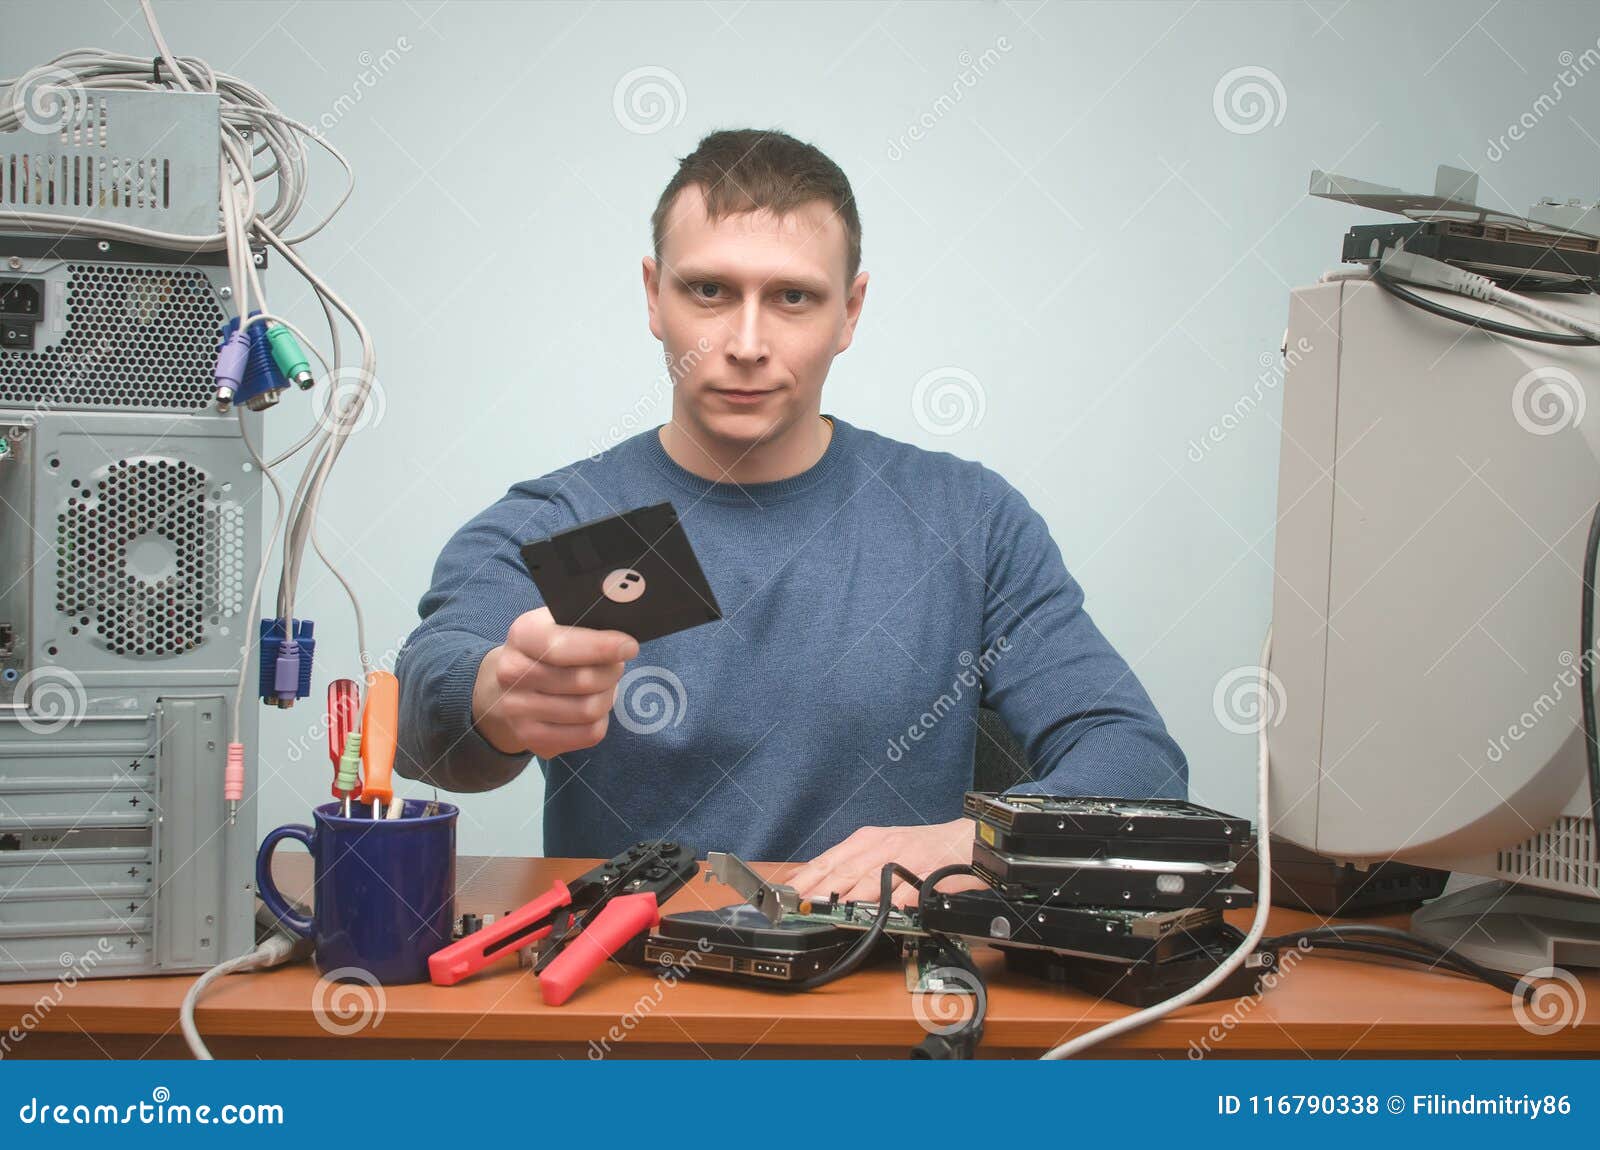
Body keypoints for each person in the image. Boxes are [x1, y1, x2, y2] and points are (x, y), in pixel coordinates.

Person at [394, 127, 1187, 905]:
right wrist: (493, 696)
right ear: (654, 296)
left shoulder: (969, 520)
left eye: (792, 298)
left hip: (888, 976)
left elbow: (1140, 763)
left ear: (850, 311)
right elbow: (418, 715)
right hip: (628, 976)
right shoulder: (567, 521)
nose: (746, 343)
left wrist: (974, 842)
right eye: (709, 291)